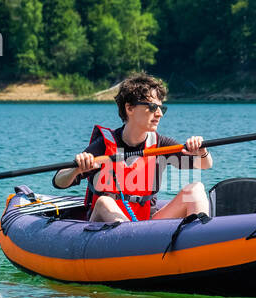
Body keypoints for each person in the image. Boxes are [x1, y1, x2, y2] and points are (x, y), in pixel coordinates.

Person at [52, 72, 213, 222]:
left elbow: (205, 165)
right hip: (104, 227)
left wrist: (202, 152)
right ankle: (131, 241)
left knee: (196, 189)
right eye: (152, 107)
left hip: (145, 226)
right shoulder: (103, 146)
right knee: (104, 202)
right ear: (129, 108)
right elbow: (59, 181)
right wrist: (77, 169)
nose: (159, 114)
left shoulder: (161, 144)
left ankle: (200, 243)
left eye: (161, 108)